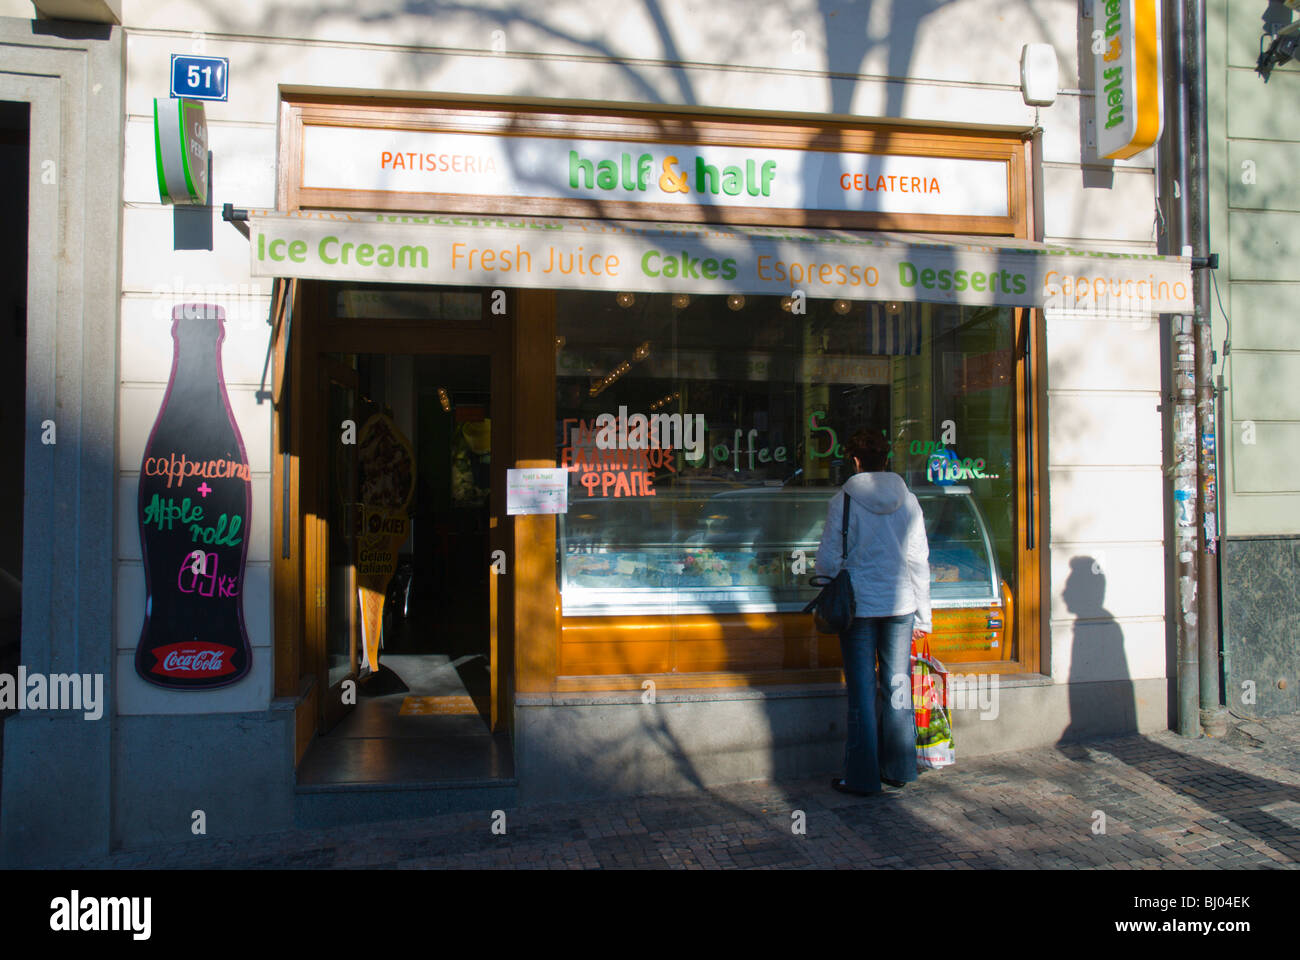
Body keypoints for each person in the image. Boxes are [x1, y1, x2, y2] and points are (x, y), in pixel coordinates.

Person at [814, 429, 931, 796]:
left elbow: (829, 559)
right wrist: (925, 615)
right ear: (886, 460)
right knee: (897, 686)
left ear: (855, 461)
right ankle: (899, 768)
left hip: (859, 607)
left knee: (862, 691)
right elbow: (918, 561)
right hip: (901, 606)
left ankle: (862, 777)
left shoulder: (842, 501)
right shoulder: (909, 500)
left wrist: (827, 578)